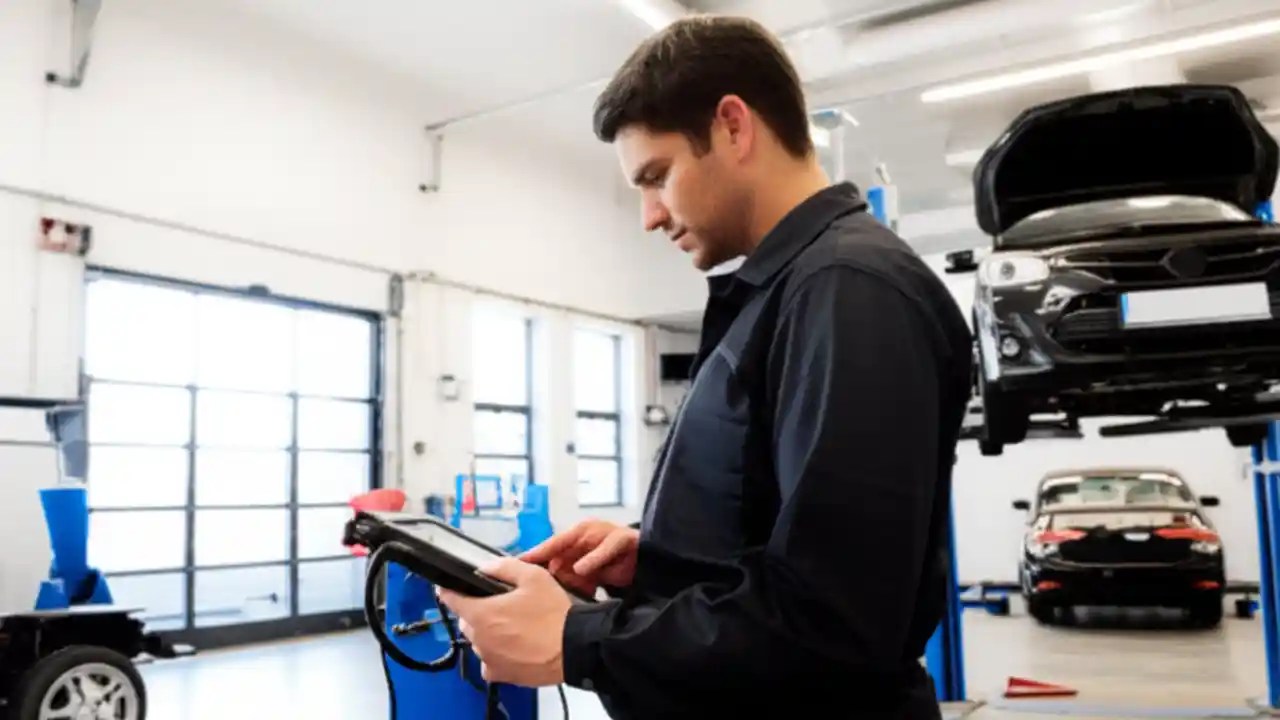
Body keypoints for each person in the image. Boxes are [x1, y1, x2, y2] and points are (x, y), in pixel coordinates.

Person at [438, 14, 973, 719]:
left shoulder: (848, 290)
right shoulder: (783, 294)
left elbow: (835, 623)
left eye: (657, 177)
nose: (649, 217)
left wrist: (581, 638)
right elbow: (782, 535)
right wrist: (660, 559)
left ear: (732, 126)